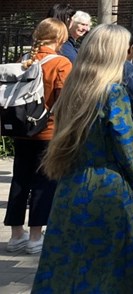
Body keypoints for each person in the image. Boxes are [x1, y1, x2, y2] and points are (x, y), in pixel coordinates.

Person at [32, 24, 133, 292]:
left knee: (66, 261)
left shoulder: (74, 87)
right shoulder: (113, 92)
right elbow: (126, 143)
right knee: (107, 266)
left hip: (70, 184)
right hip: (106, 187)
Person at [4, 19, 72, 255]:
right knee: (44, 182)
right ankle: (35, 237)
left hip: (22, 130)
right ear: (60, 38)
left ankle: (15, 236)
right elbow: (64, 100)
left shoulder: (24, 60)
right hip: (48, 131)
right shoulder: (62, 63)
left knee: (19, 180)